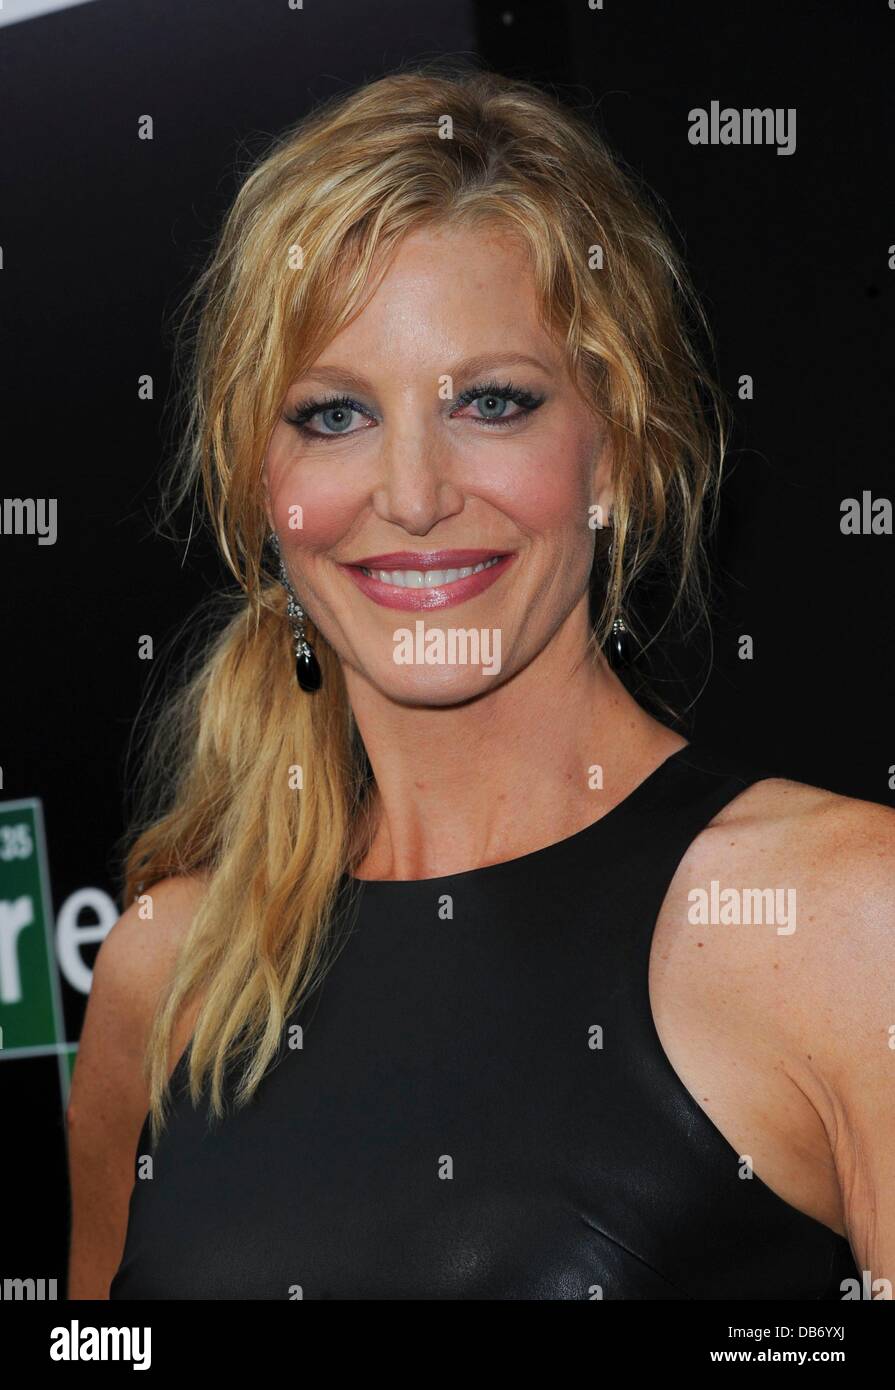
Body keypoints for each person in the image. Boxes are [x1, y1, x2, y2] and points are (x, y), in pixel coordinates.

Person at [66, 65, 894, 1300]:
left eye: (493, 402)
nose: (410, 494)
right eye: (333, 414)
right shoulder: (167, 967)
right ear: (261, 487)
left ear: (617, 449)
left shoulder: (841, 921)